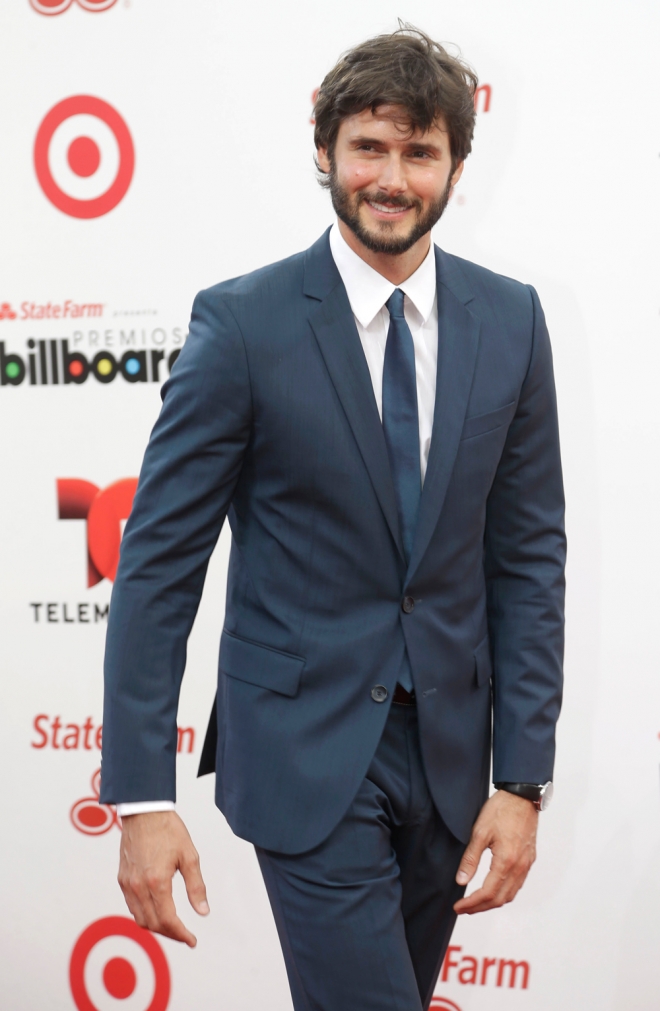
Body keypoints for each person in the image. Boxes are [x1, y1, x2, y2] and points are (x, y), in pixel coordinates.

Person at [100, 25, 565, 1011]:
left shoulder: (512, 322)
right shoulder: (244, 324)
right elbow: (158, 566)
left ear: (455, 164)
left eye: (420, 151)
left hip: (451, 764)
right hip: (302, 755)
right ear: (325, 150)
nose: (391, 177)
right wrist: (140, 796)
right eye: (369, 146)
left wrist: (522, 781)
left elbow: (527, 559)